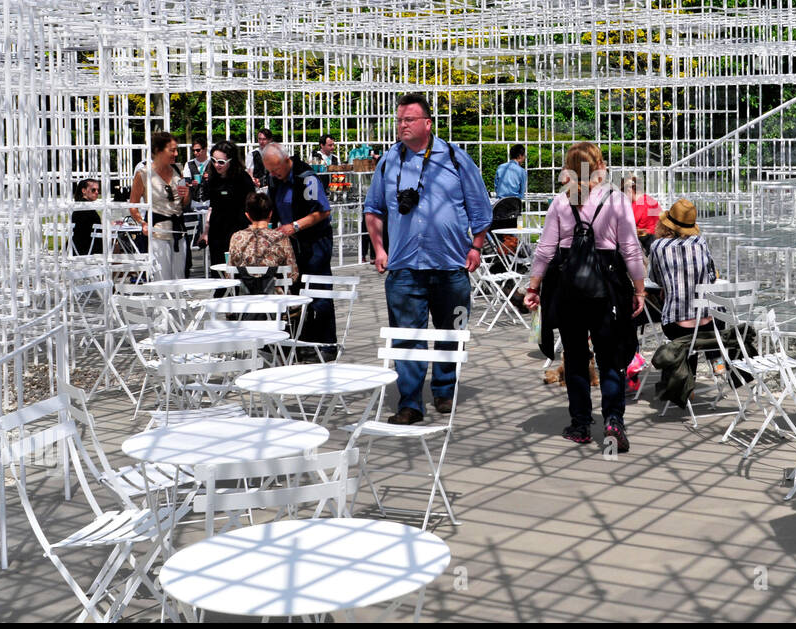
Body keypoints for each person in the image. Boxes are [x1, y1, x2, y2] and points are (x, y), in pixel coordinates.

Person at [364, 92, 494, 424]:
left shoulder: (455, 158)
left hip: (450, 265)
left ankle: (444, 389)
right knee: (406, 337)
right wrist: (379, 249)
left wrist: (476, 247)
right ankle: (410, 402)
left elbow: (480, 209)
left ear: (427, 123)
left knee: (451, 331)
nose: (402, 125)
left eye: (408, 120)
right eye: (399, 120)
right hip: (405, 267)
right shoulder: (389, 161)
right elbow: (373, 210)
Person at [523, 142, 646, 451]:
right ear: (600, 165)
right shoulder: (615, 199)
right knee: (610, 358)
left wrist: (533, 286)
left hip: (569, 291)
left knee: (576, 358)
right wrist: (639, 289)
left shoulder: (561, 203)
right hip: (607, 291)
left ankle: (580, 424)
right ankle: (613, 420)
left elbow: (546, 250)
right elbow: (630, 249)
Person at [263, 141, 336, 354]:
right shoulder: (274, 179)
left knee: (318, 291)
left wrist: (295, 226)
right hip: (291, 244)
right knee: (294, 293)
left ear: (287, 161)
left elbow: (323, 211)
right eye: (270, 171)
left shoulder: (307, 178)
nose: (274, 174)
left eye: (276, 169)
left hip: (315, 241)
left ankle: (326, 344)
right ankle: (302, 342)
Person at [648, 199, 716, 378]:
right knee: (697, 323)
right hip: (708, 324)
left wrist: (669, 285)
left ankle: (685, 381)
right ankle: (717, 361)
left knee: (685, 333)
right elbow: (712, 276)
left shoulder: (658, 246)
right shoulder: (700, 242)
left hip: (676, 325)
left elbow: (654, 279)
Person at [129, 131, 191, 281]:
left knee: (180, 279)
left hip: (178, 231)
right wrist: (142, 223)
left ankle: (178, 305)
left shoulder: (178, 170)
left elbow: (183, 204)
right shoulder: (143, 174)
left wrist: (187, 194)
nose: (176, 154)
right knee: (162, 279)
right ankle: (162, 305)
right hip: (158, 233)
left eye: (176, 150)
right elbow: (133, 206)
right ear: (157, 151)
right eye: (172, 150)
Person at [199, 140, 256, 270]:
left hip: (237, 229)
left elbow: (251, 206)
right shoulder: (213, 178)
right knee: (217, 265)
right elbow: (211, 206)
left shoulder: (243, 179)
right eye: (213, 160)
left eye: (221, 162)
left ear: (231, 161)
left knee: (235, 267)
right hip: (217, 228)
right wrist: (206, 232)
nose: (216, 165)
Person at [228, 191, 299, 285]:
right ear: (270, 214)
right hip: (275, 296)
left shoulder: (236, 238)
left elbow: (229, 274)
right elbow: (293, 274)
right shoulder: (280, 238)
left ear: (247, 215)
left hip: (245, 296)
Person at [620, 174, 661, 239]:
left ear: (628, 189)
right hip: (658, 238)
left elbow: (624, 228)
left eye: (622, 192)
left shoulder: (637, 206)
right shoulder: (650, 200)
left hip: (646, 241)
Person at [71, 179, 103, 256]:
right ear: (84, 191)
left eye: (98, 190)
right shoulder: (86, 208)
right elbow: (97, 229)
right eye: (93, 190)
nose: (97, 192)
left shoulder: (79, 206)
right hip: (89, 249)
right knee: (116, 246)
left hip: (76, 248)